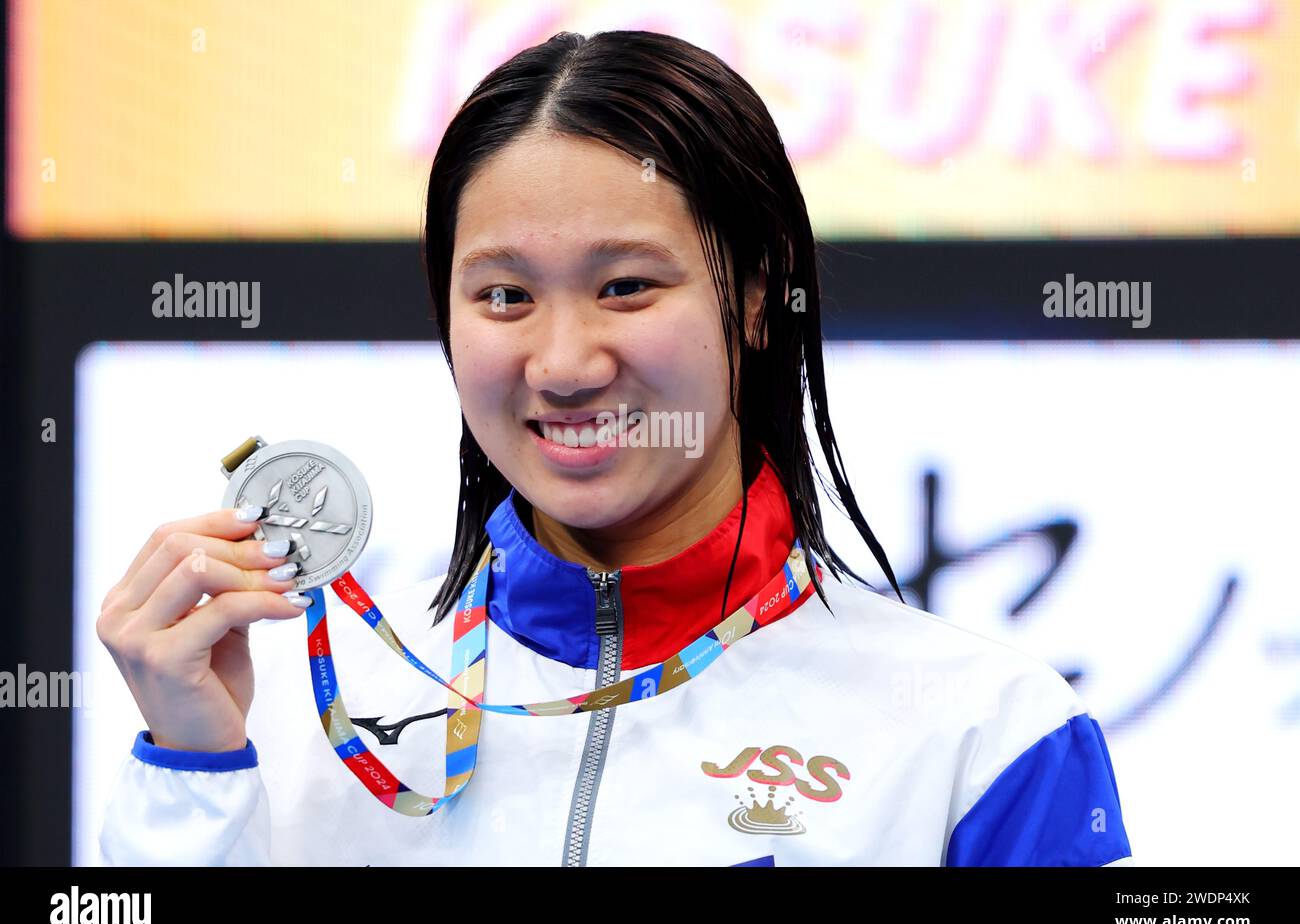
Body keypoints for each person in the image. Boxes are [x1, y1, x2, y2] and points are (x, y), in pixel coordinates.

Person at [96, 30, 1131, 867]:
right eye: (504, 295)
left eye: (626, 284)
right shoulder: (281, 705)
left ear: (760, 292)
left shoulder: (983, 736)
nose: (562, 362)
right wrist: (193, 774)